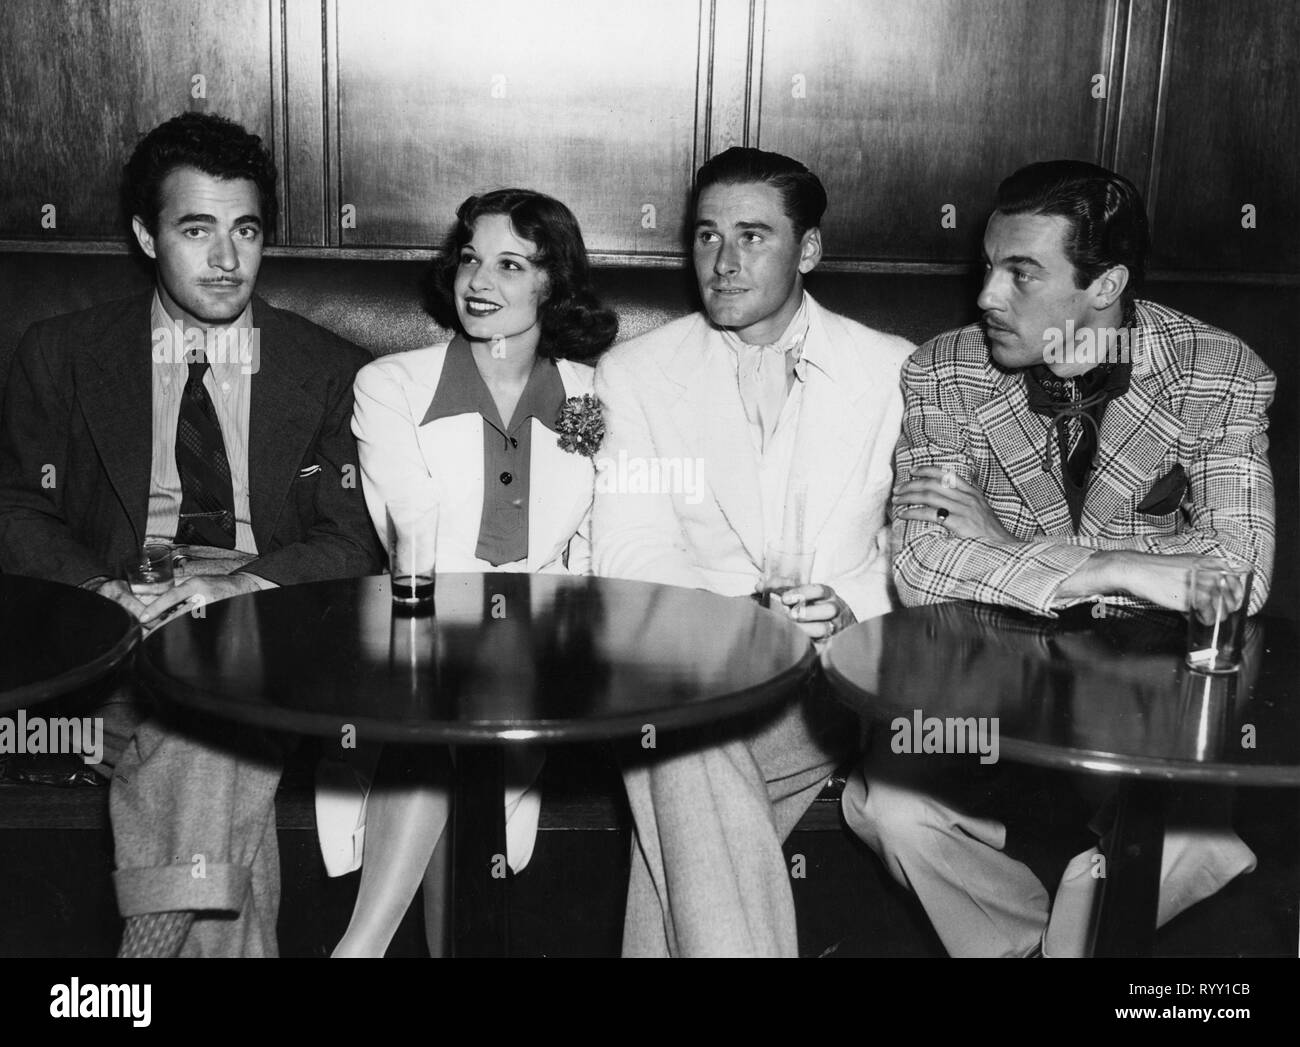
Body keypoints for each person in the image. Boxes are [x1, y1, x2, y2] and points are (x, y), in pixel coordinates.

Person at [843, 159, 1275, 956]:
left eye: (1021, 274)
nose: (985, 298)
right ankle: (1029, 944)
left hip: (1148, 708)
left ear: (1105, 284)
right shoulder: (946, 370)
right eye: (987, 268)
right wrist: (1115, 567)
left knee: (1187, 833)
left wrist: (1009, 548)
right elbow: (921, 563)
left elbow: (1236, 570)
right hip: (994, 700)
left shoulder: (1218, 373)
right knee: (887, 805)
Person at [0, 111, 383, 956]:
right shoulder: (60, 354)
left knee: (213, 705)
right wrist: (103, 595)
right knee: (211, 739)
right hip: (114, 637)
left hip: (263, 630)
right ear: (145, 234)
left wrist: (237, 589)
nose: (225, 259)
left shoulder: (332, 371)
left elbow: (353, 537)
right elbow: (18, 507)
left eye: (245, 231)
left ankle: (149, 950)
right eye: (196, 229)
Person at [593, 147, 914, 956]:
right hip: (695, 662)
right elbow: (631, 547)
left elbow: (913, 547)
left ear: (808, 250)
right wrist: (735, 631)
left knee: (672, 746)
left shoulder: (896, 371)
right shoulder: (635, 373)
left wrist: (852, 609)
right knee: (683, 736)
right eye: (705, 237)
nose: (723, 263)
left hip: (832, 679)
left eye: (752, 236)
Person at [331, 188, 617, 956]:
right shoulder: (390, 385)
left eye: (510, 263)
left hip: (554, 645)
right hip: (424, 626)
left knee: (453, 736)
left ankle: (357, 948)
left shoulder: (599, 396)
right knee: (444, 725)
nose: (479, 280)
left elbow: (597, 545)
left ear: (553, 283)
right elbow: (413, 541)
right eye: (470, 258)